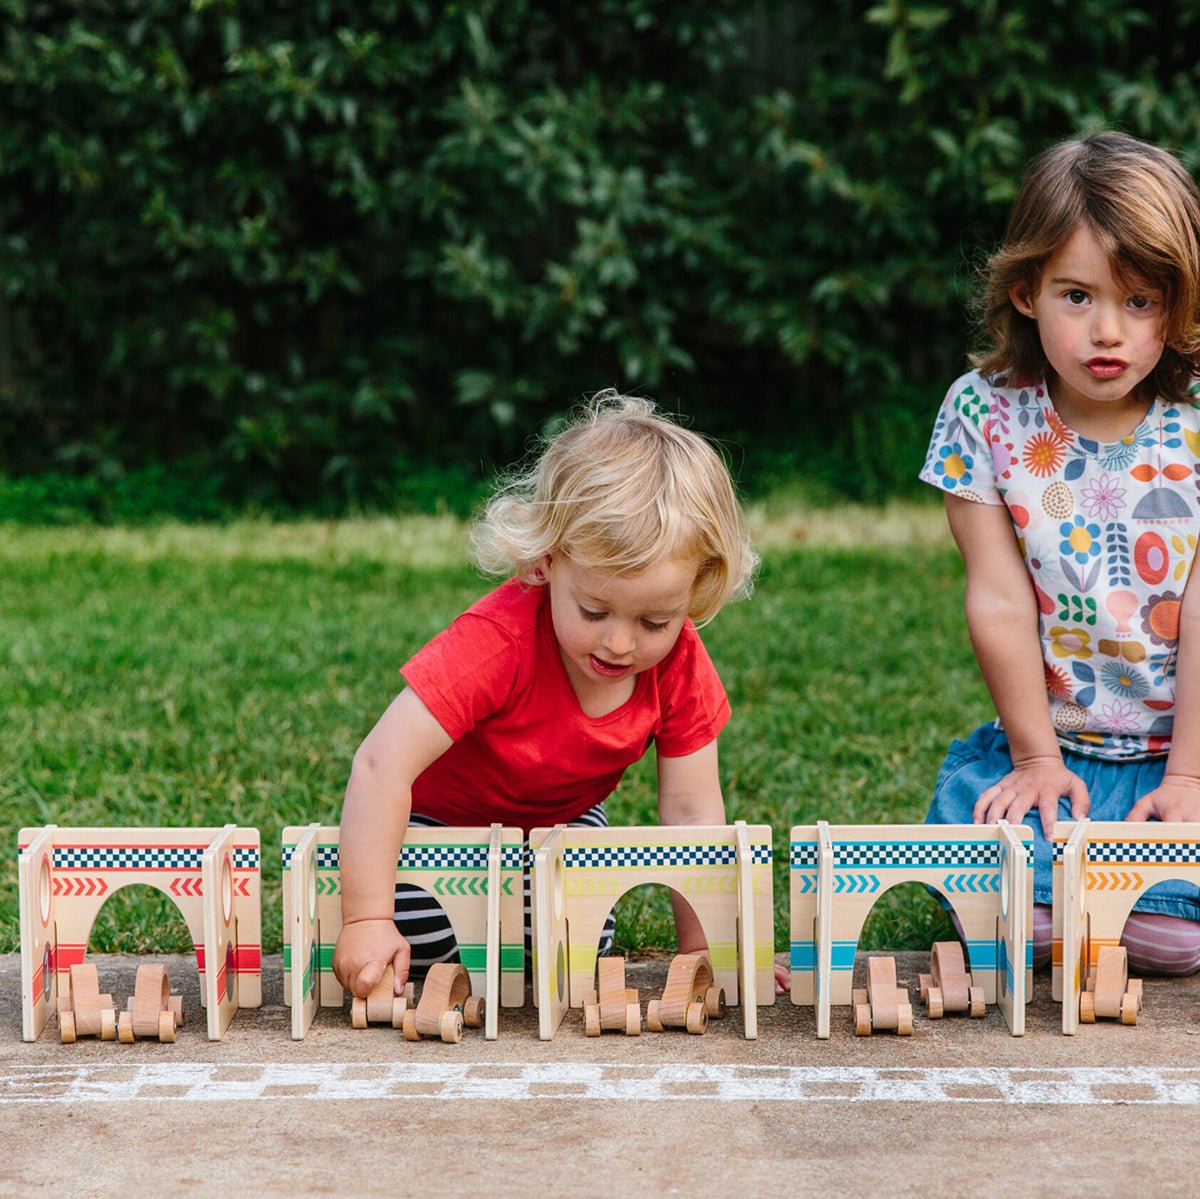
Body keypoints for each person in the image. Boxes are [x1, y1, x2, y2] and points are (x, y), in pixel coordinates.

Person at [332, 392, 784, 1000]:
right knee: (423, 944)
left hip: (559, 825)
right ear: (547, 563)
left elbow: (692, 815)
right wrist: (366, 919)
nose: (621, 642)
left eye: (655, 621)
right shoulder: (497, 644)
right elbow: (380, 765)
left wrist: (709, 951)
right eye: (594, 610)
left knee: (572, 951)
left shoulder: (679, 664)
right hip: (438, 826)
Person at [922, 131, 1200, 974]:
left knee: (1170, 938)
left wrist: (1187, 782)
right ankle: (1042, 894)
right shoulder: (985, 414)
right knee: (999, 908)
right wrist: (1037, 759)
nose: (1107, 330)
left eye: (1141, 302)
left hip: (1178, 749)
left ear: (1180, 306)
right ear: (1026, 291)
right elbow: (1000, 599)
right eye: (1077, 296)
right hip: (1056, 747)